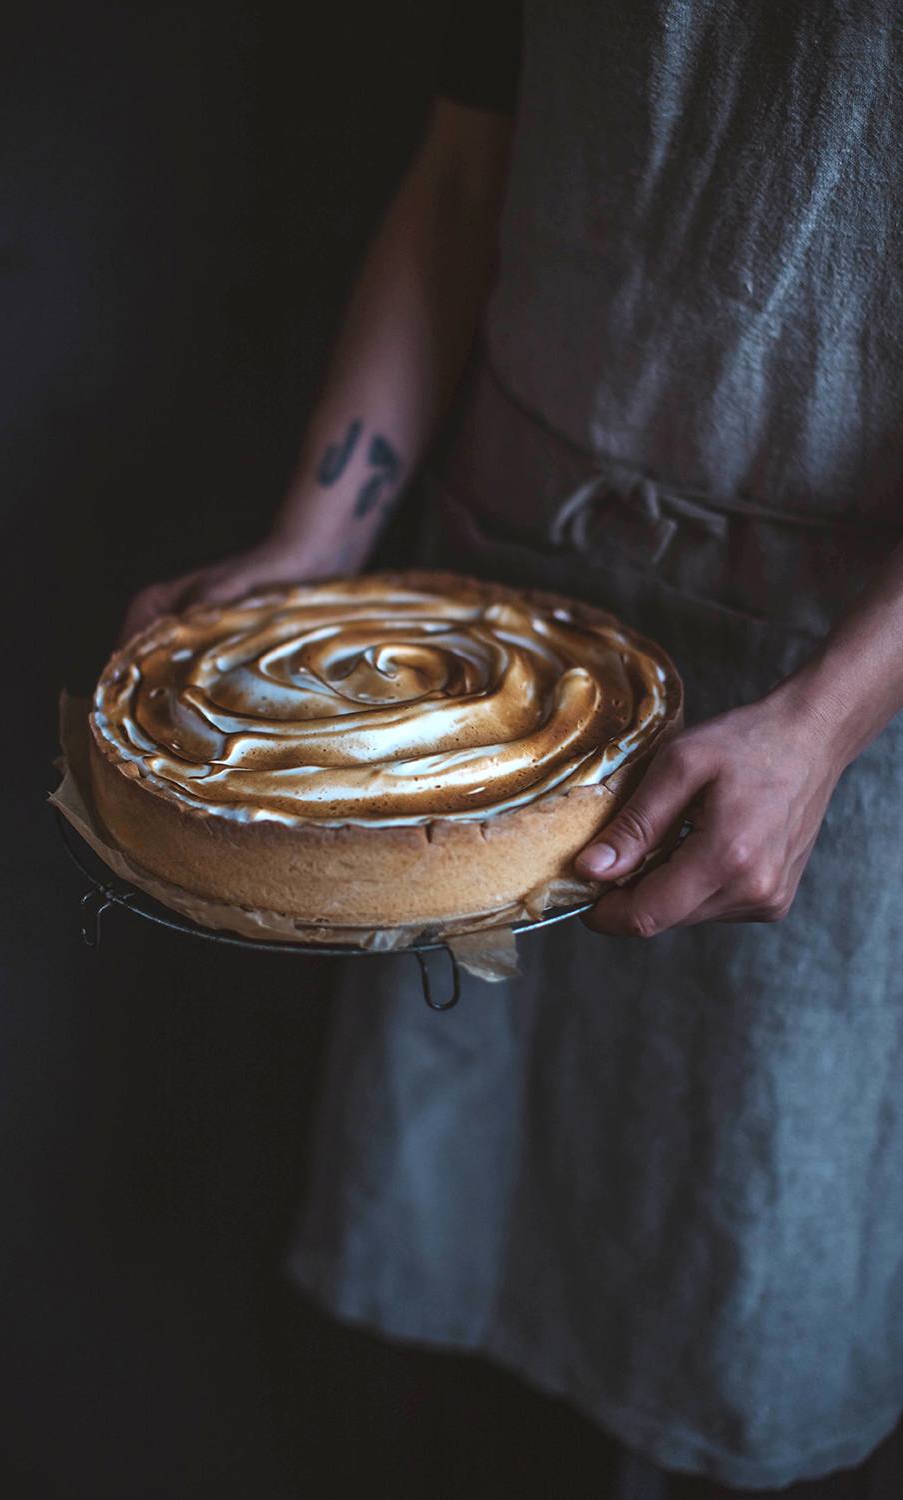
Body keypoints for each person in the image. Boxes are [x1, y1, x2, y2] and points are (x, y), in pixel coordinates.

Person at [121, 3, 903, 1494]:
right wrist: (319, 536)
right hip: (495, 616)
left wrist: (824, 724)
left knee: (745, 1273)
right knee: (460, 1250)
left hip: (838, 685)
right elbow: (469, 178)